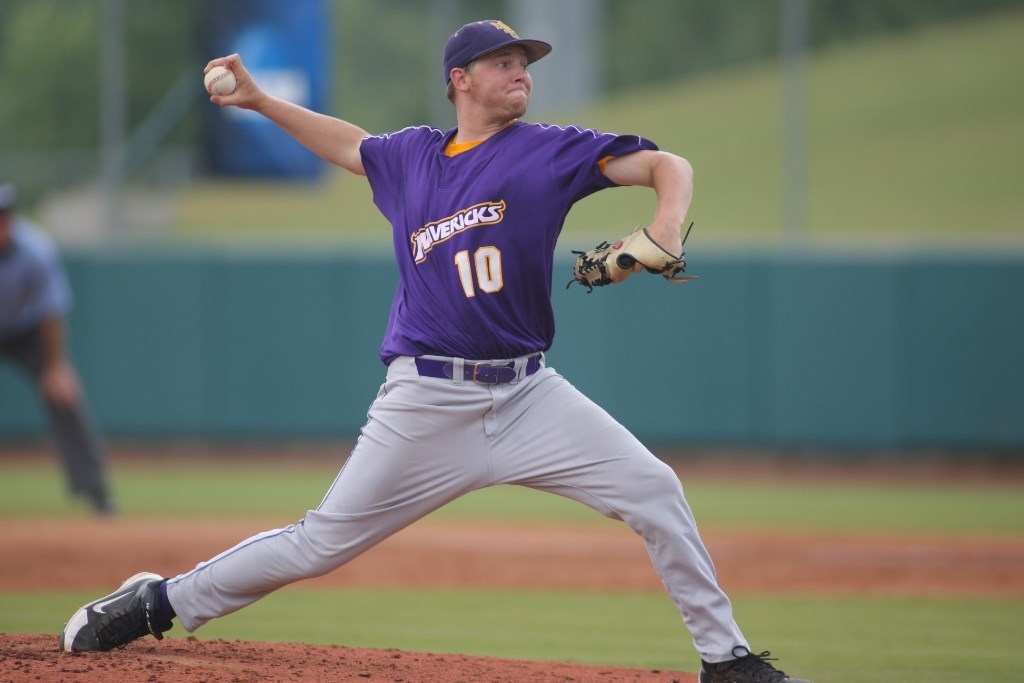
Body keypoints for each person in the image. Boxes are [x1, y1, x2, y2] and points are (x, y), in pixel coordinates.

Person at [58, 20, 812, 683]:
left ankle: (728, 659)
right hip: (427, 399)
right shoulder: (414, 157)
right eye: (504, 62)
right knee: (319, 542)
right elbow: (349, 145)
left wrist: (669, 222)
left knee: (655, 488)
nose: (522, 73)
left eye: (526, 63)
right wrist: (258, 100)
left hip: (528, 394)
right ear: (461, 79)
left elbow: (664, 163)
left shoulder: (548, 151)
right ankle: (157, 601)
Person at [0, 182, 115, 516]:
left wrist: (55, 366)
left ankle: (97, 493)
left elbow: (51, 312)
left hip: (26, 332)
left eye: (4, 216)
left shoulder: (35, 249)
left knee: (64, 393)